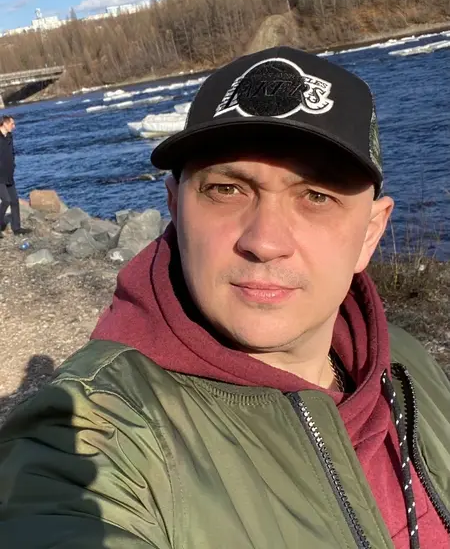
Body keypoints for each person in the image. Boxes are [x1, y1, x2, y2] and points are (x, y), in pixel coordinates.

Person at [0, 47, 448, 548]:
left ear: (370, 233)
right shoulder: (96, 433)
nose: (265, 242)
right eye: (226, 190)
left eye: (317, 196)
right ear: (175, 209)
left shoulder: (406, 365)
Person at [0, 115, 30, 237]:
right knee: (6, 200)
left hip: (9, 174)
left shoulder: (9, 136)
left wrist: (13, 164)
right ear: (5, 124)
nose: (14, 126)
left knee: (14, 201)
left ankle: (17, 228)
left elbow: (11, 152)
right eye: (12, 124)